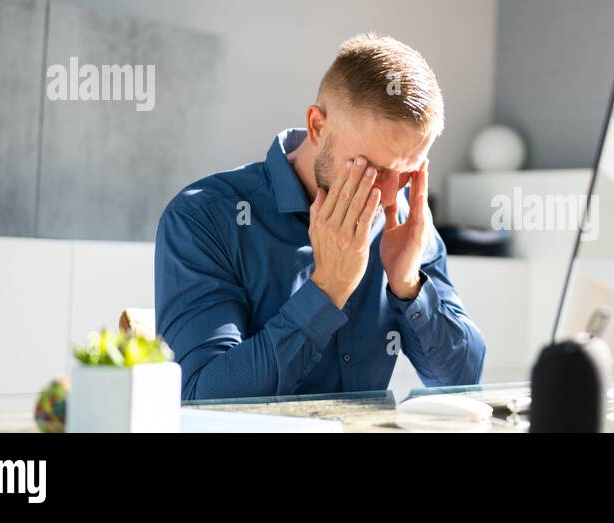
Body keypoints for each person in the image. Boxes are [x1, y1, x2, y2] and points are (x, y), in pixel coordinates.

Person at [154, 33, 485, 400]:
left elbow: (463, 381)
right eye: (371, 167)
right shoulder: (204, 218)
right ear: (317, 125)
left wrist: (409, 286)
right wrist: (328, 289)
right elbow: (201, 396)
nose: (391, 194)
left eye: (407, 172)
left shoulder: (402, 218)